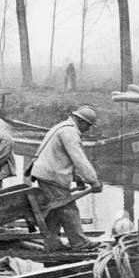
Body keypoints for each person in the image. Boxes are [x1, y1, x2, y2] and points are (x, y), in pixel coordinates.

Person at [30, 105, 103, 252]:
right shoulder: (69, 132)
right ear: (80, 121)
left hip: (46, 173)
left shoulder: (62, 127)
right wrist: (93, 181)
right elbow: (79, 159)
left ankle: (52, 242)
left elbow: (64, 157)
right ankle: (79, 242)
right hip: (51, 175)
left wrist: (79, 179)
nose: (88, 129)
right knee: (68, 207)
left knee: (55, 209)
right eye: (88, 126)